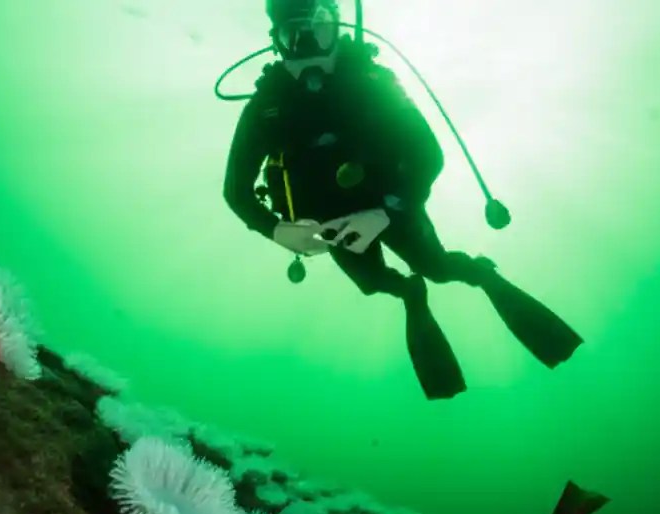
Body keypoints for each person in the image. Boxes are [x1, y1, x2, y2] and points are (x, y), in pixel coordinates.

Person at [222, 0, 584, 400]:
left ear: (338, 31)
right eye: (293, 37)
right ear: (277, 44)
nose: (308, 48)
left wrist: (385, 210)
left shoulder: (372, 83)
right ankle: (410, 294)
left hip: (394, 203)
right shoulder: (266, 109)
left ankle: (482, 274)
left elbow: (429, 153)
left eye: (319, 31)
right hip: (333, 224)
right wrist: (279, 232)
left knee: (439, 267)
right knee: (374, 282)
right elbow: (235, 191)